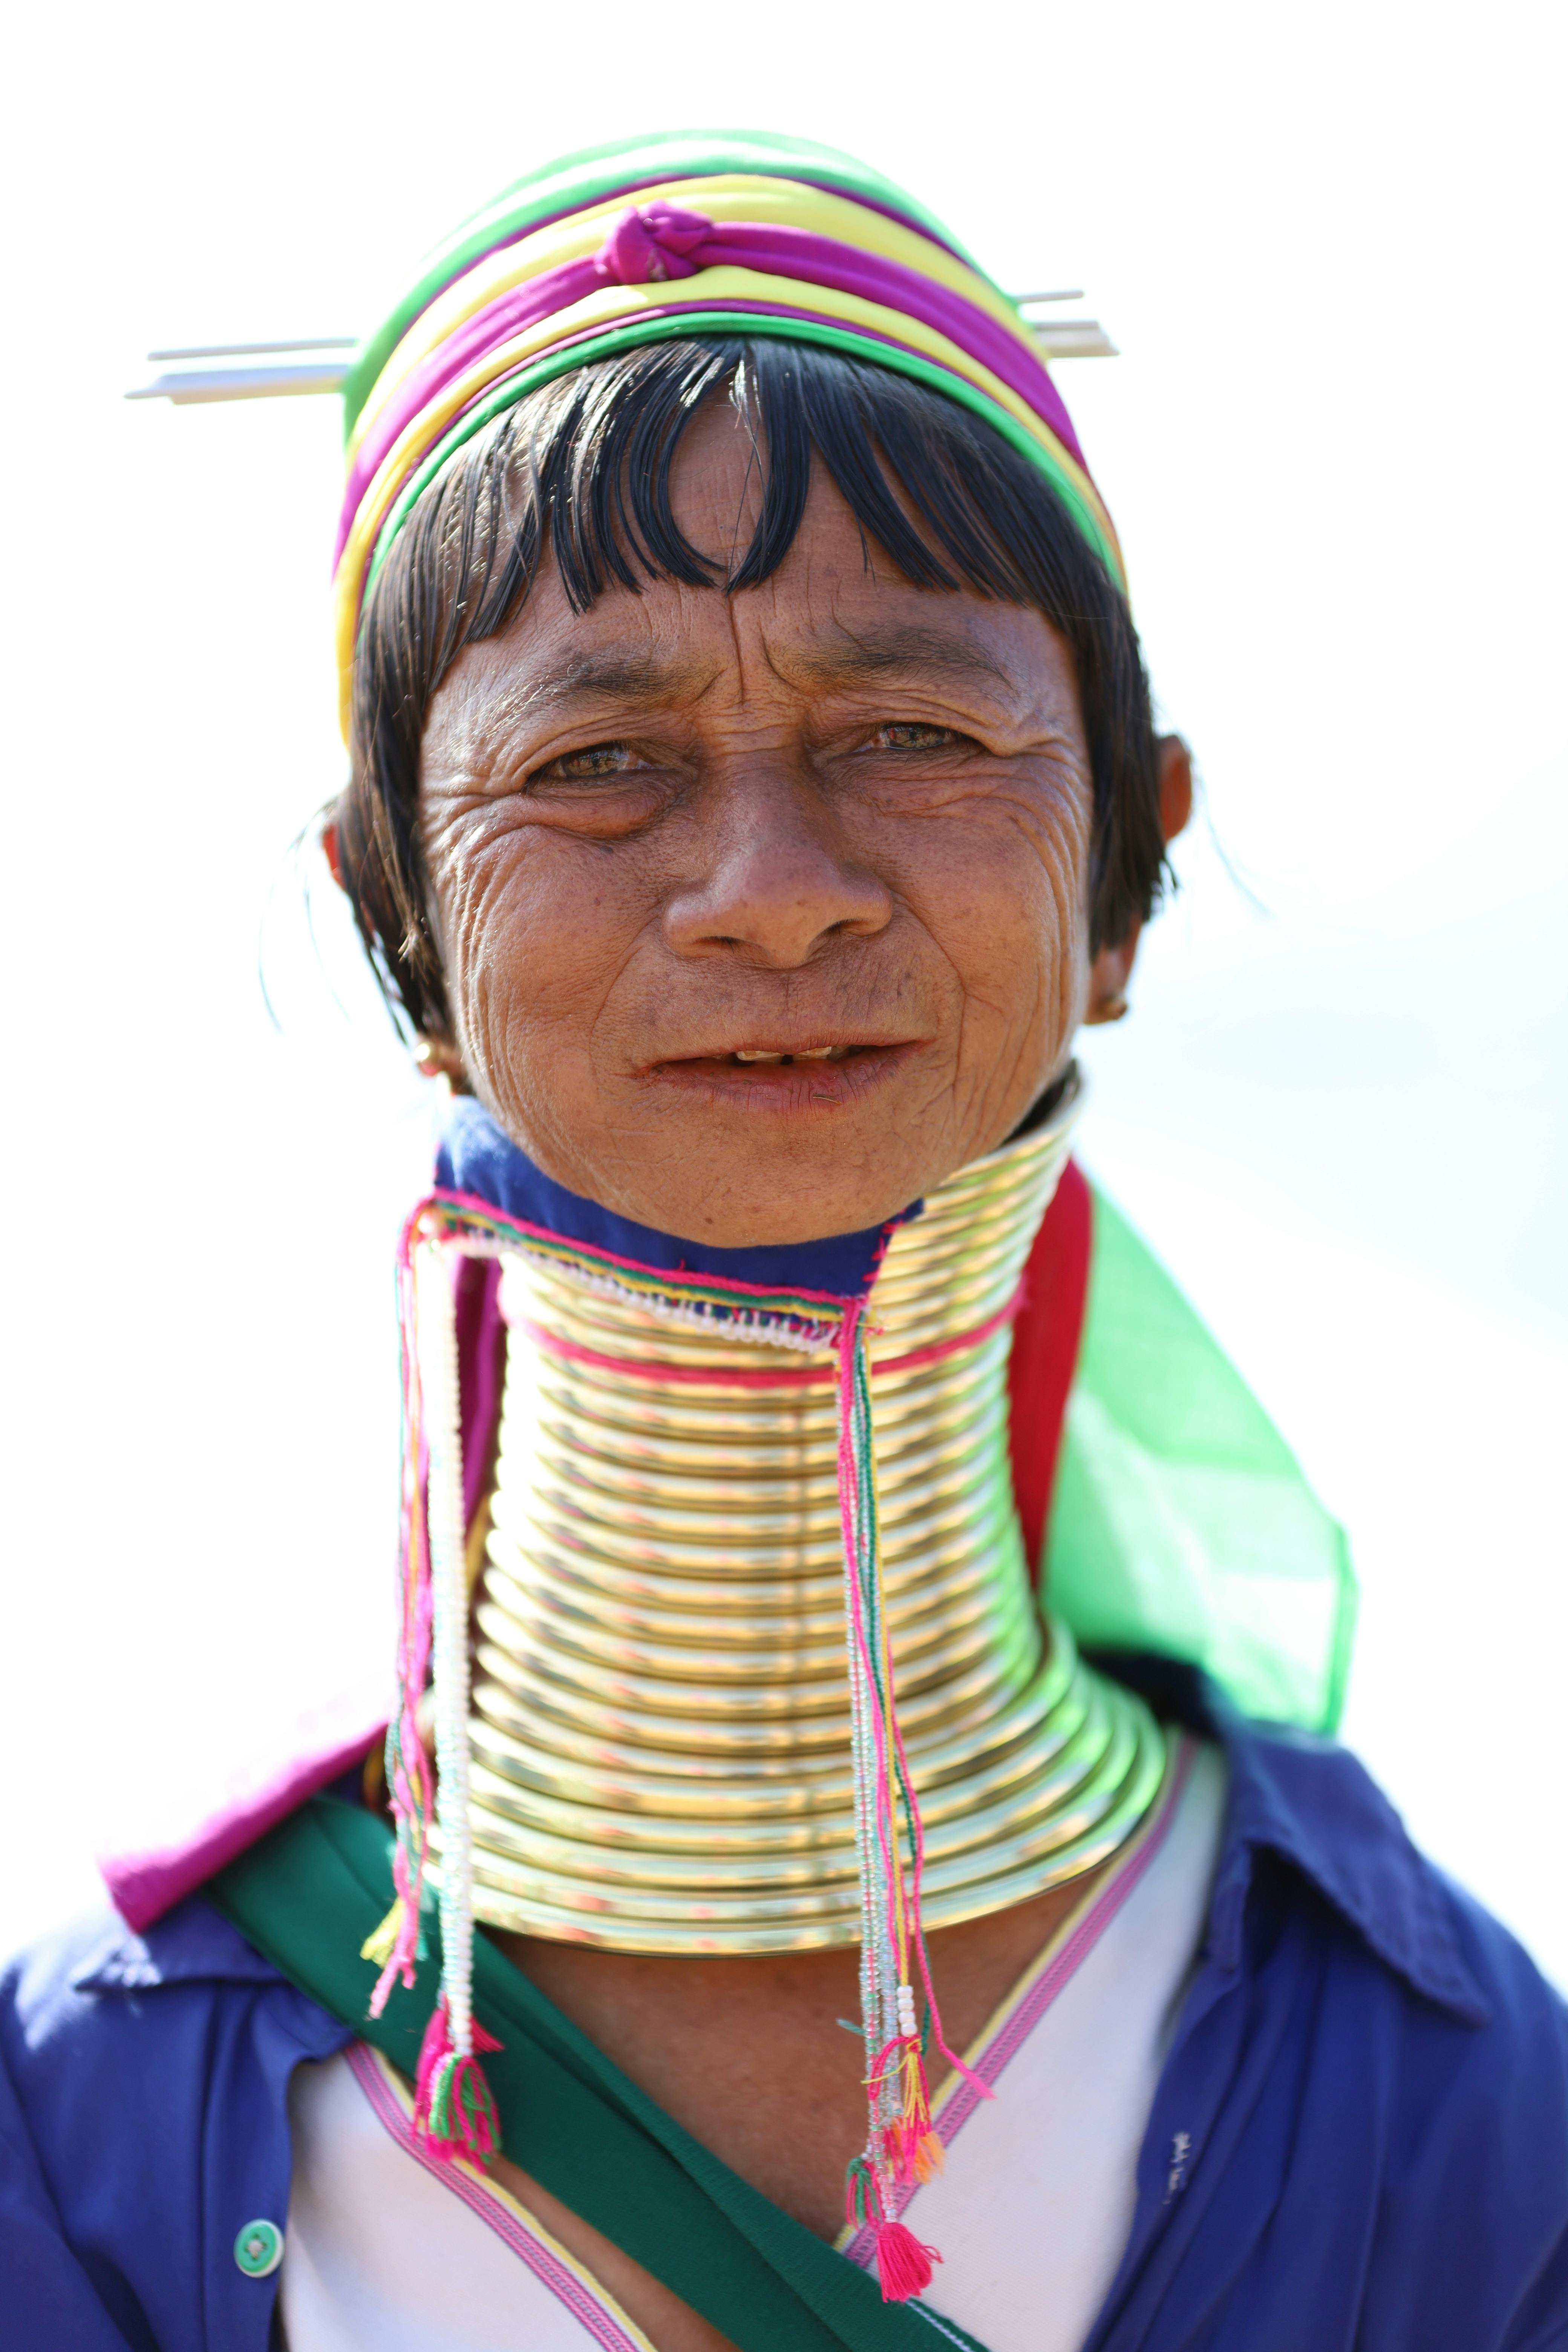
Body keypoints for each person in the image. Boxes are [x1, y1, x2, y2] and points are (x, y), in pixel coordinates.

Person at [4, 129, 1565, 2352]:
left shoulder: (1434, 2085)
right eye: (596, 762)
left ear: (1134, 865)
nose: (769, 884)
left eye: (916, 732)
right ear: (394, 922)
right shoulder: (92, 2110)